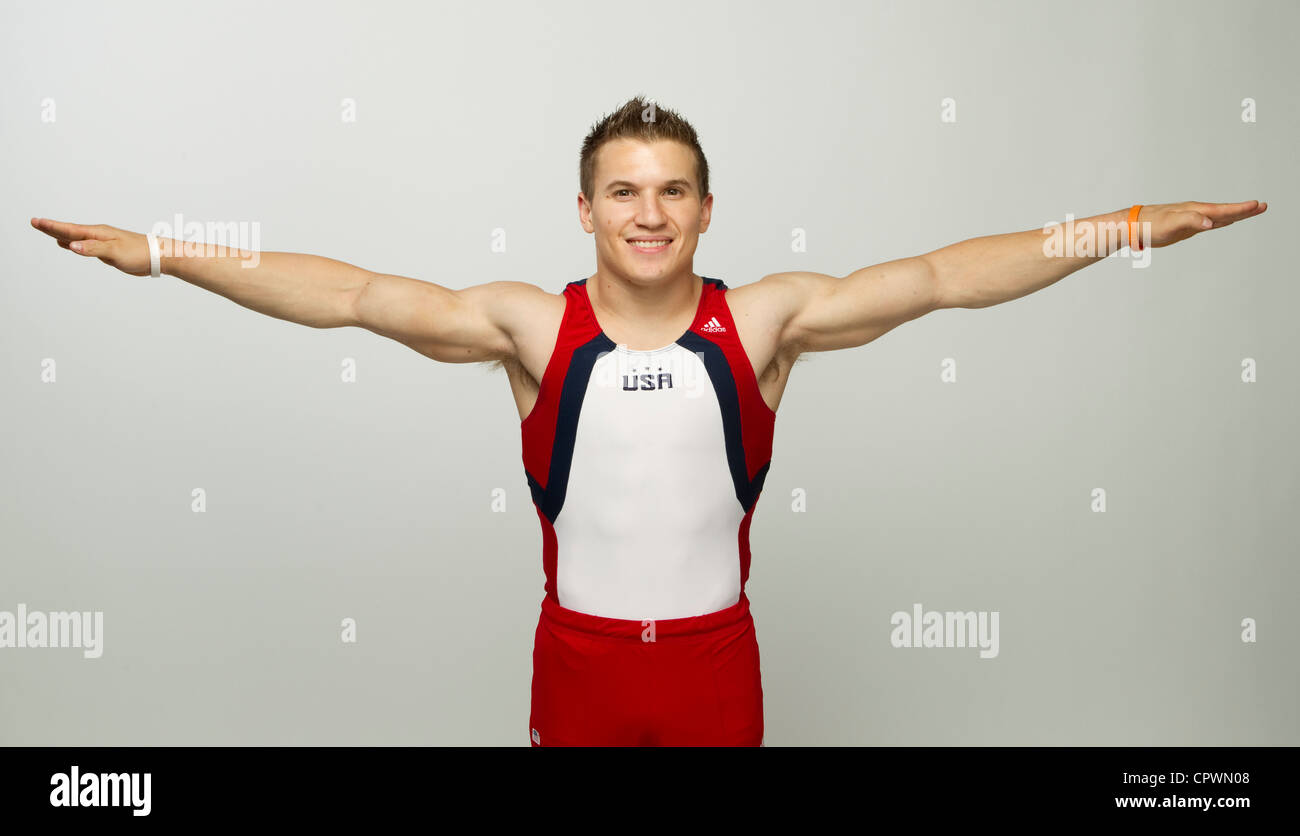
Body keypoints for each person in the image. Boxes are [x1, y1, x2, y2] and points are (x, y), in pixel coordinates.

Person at [30, 96, 1267, 746]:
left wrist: (1123, 225)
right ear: (584, 210)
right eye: (624, 189)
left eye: (672, 189)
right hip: (575, 666)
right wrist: (161, 252)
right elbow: (352, 294)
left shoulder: (768, 321)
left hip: (715, 668)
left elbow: (944, 274)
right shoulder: (528, 326)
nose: (649, 210)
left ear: (706, 207)